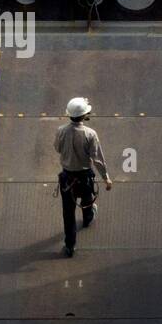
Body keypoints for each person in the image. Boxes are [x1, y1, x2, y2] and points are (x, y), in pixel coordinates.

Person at [54, 97, 112, 257]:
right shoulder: (90, 134)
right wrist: (106, 178)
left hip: (67, 178)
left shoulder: (61, 131)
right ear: (85, 115)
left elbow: (57, 148)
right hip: (84, 177)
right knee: (87, 201)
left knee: (68, 213)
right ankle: (88, 218)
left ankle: (70, 245)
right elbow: (97, 159)